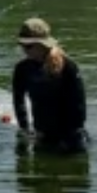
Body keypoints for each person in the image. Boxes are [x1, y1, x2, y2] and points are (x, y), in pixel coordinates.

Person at [11, 18, 88, 153]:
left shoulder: (68, 66)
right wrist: (24, 128)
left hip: (70, 137)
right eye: (22, 45)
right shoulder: (22, 69)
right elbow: (18, 100)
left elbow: (79, 104)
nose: (24, 50)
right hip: (43, 134)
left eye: (28, 46)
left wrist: (72, 136)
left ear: (42, 45)